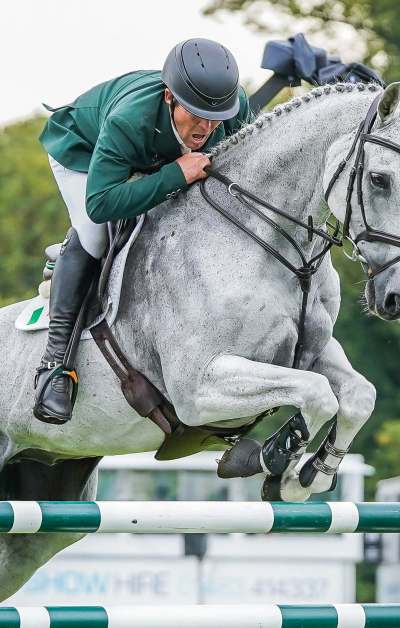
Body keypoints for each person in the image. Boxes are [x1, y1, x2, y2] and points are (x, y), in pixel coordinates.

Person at [31, 37, 254, 425]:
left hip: (151, 156)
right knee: (96, 233)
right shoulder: (127, 120)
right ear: (169, 97)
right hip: (81, 150)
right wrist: (174, 174)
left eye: (215, 116)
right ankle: (55, 366)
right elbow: (100, 202)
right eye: (196, 114)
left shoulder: (233, 109)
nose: (207, 127)